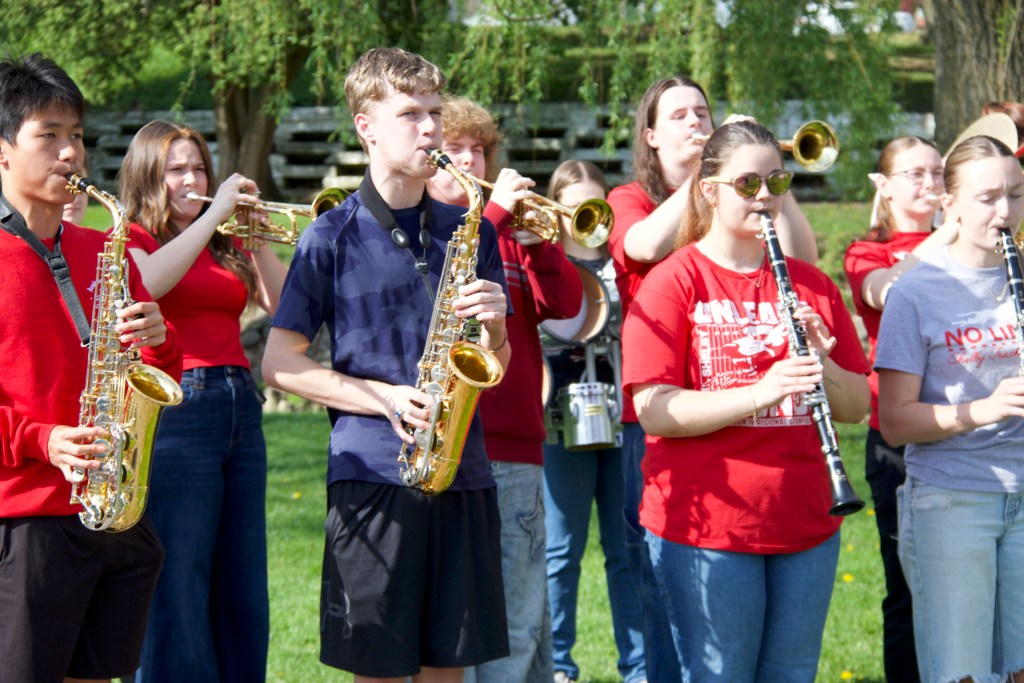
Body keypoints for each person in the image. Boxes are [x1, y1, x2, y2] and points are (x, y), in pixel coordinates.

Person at [261, 47, 512, 683]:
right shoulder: (330, 235)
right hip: (373, 473)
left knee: (447, 670)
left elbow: (496, 365)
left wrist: (498, 327)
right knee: (377, 669)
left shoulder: (472, 231)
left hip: (462, 470)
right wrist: (388, 399)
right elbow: (281, 364)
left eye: (433, 112)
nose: (429, 128)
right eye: (410, 114)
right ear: (366, 125)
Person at [622, 120, 870, 682]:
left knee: (791, 674)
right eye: (747, 184)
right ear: (709, 189)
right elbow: (654, 408)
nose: (765, 197)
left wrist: (821, 362)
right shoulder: (673, 280)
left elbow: (856, 406)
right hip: (709, 526)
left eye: (776, 183)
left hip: (807, 517)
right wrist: (762, 391)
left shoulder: (812, 285)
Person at [606, 75, 819, 683]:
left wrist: (769, 177)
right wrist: (713, 169)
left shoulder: (746, 198)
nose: (696, 121)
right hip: (660, 414)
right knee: (666, 597)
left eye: (704, 112)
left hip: (755, 419)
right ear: (650, 136)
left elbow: (799, 258)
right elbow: (644, 246)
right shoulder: (631, 199)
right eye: (679, 116)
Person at [0, 53, 180, 683]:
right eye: (47, 135)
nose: (70, 153)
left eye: (75, 135)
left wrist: (159, 339)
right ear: (1, 152)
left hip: (116, 511)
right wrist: (41, 439)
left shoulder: (106, 250)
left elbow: (157, 372)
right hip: (27, 521)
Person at [117, 119, 287, 683]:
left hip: (240, 401)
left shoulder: (220, 241)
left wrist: (256, 241)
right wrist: (214, 213)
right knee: (179, 577)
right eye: (176, 171)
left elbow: (284, 308)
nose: (192, 180)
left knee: (242, 579)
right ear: (148, 176)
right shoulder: (131, 235)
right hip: (177, 409)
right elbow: (146, 285)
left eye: (199, 169)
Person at [426, 95, 581, 683]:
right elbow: (443, 285)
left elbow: (566, 308)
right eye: (455, 150)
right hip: (451, 442)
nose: (470, 161)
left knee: (520, 618)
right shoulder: (426, 232)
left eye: (478, 150)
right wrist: (491, 219)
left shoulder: (513, 234)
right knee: (458, 618)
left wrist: (542, 244)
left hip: (517, 447)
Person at [875, 134, 1024, 683]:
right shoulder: (917, 292)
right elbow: (894, 421)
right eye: (987, 198)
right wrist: (985, 409)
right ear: (950, 204)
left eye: (1015, 193)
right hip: (953, 500)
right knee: (961, 675)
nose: (1005, 211)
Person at [843, 135, 954, 683]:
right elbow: (886, 290)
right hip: (899, 437)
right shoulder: (867, 251)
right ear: (883, 186)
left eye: (937, 172)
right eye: (915, 174)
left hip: (967, 427)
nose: (931, 183)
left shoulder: (971, 242)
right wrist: (954, 232)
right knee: (907, 588)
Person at [541, 160, 646, 683]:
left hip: (623, 416)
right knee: (560, 550)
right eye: (573, 204)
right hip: (560, 419)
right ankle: (558, 665)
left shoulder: (626, 260)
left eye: (594, 204)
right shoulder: (545, 262)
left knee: (628, 547)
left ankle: (639, 667)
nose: (585, 215)